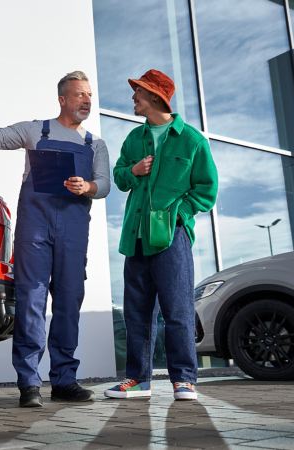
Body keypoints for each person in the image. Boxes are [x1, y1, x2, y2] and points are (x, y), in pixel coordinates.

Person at [0, 71, 110, 408]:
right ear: (63, 99)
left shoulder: (96, 144)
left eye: (89, 95)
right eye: (79, 95)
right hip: (36, 227)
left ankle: (64, 380)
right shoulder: (37, 130)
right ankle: (29, 383)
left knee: (68, 302)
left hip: (73, 229)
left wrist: (87, 187)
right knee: (32, 299)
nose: (86, 101)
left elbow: (104, 183)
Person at [105, 69, 217, 401]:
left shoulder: (192, 140)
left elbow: (206, 190)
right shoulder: (133, 139)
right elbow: (120, 178)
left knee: (177, 309)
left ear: (155, 97)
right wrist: (133, 170)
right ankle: (137, 381)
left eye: (137, 93)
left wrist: (179, 213)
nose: (133, 99)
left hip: (172, 236)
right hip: (136, 235)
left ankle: (184, 379)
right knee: (136, 311)